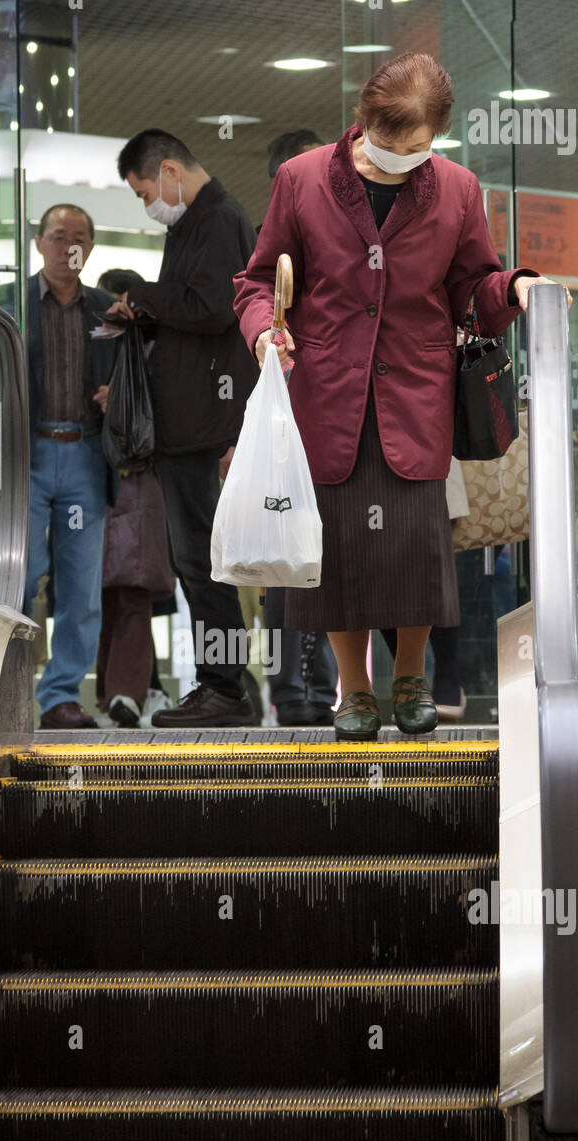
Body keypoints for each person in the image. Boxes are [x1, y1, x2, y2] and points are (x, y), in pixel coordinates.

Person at [233, 51, 569, 741]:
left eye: (416, 149)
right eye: (389, 146)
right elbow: (257, 280)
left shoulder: (456, 188)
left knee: (416, 550)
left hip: (416, 395)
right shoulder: (302, 181)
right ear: (361, 122)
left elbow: (473, 284)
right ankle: (353, 691)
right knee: (336, 556)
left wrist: (516, 287)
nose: (400, 159)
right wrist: (266, 335)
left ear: (438, 136)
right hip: (326, 394)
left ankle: (412, 675)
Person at [111, 128, 259, 728]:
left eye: (147, 190)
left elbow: (215, 308)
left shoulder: (219, 218)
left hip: (204, 423)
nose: (150, 203)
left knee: (203, 560)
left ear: (170, 171)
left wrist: (142, 295)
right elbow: (190, 310)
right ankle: (226, 683)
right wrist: (144, 313)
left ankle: (224, 687)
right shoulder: (190, 226)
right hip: (189, 421)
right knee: (197, 558)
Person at [21, 203, 118, 729]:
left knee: (81, 584)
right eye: (58, 236)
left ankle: (61, 695)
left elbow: (137, 382)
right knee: (22, 573)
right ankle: (5, 684)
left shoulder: (108, 312)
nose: (68, 246)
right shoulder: (12, 306)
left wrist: (117, 395)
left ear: (91, 248)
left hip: (85, 453)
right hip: (27, 457)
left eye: (79, 237)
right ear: (39, 244)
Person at [258, 127, 340, 728]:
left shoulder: (344, 248)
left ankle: (320, 685)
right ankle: (293, 687)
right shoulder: (272, 261)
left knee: (321, 555)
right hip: (284, 427)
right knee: (282, 557)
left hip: (329, 421)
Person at [94, 267, 176, 728]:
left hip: (128, 480)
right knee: (114, 596)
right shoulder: (146, 348)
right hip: (121, 481)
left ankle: (123, 693)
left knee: (128, 594)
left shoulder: (146, 348)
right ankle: (119, 693)